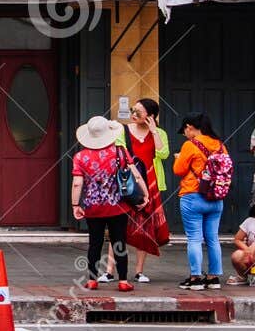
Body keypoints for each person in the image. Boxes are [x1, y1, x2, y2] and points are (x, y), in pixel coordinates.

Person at [72, 116, 140, 292]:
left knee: (95, 243)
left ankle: (93, 280)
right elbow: (136, 175)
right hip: (118, 206)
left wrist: (75, 205)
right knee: (119, 242)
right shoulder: (120, 152)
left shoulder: (80, 157)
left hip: (93, 207)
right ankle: (123, 281)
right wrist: (145, 195)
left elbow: (77, 183)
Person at [172, 113, 230, 290]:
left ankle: (196, 277)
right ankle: (213, 277)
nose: (185, 135)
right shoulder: (220, 145)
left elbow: (178, 170)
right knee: (213, 238)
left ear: (190, 127)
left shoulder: (190, 145)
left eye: (185, 131)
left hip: (193, 195)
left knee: (194, 239)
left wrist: (178, 157)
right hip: (215, 197)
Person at [116, 98, 170, 283]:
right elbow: (120, 155)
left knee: (145, 228)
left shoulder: (160, 133)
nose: (134, 114)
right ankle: (109, 270)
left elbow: (163, 154)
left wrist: (154, 131)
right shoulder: (122, 131)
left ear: (151, 116)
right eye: (133, 110)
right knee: (119, 226)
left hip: (151, 184)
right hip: (128, 184)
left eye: (139, 112)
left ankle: (139, 271)